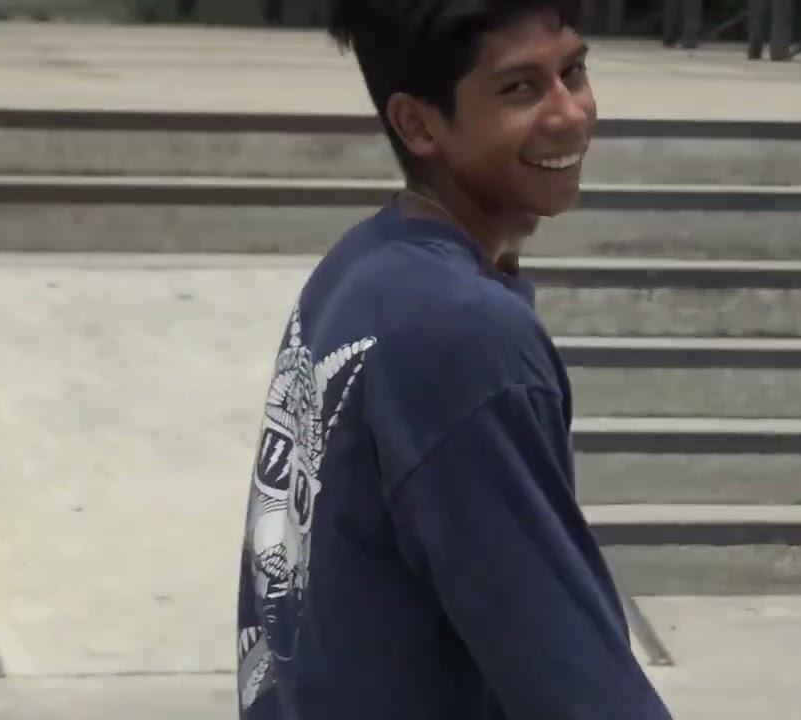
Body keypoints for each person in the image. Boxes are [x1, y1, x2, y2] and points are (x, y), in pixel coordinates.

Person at [236, 1, 674, 718]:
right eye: (521, 89)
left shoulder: (361, 268)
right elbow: (568, 673)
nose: (571, 114)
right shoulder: (462, 333)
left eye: (573, 71)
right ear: (418, 123)